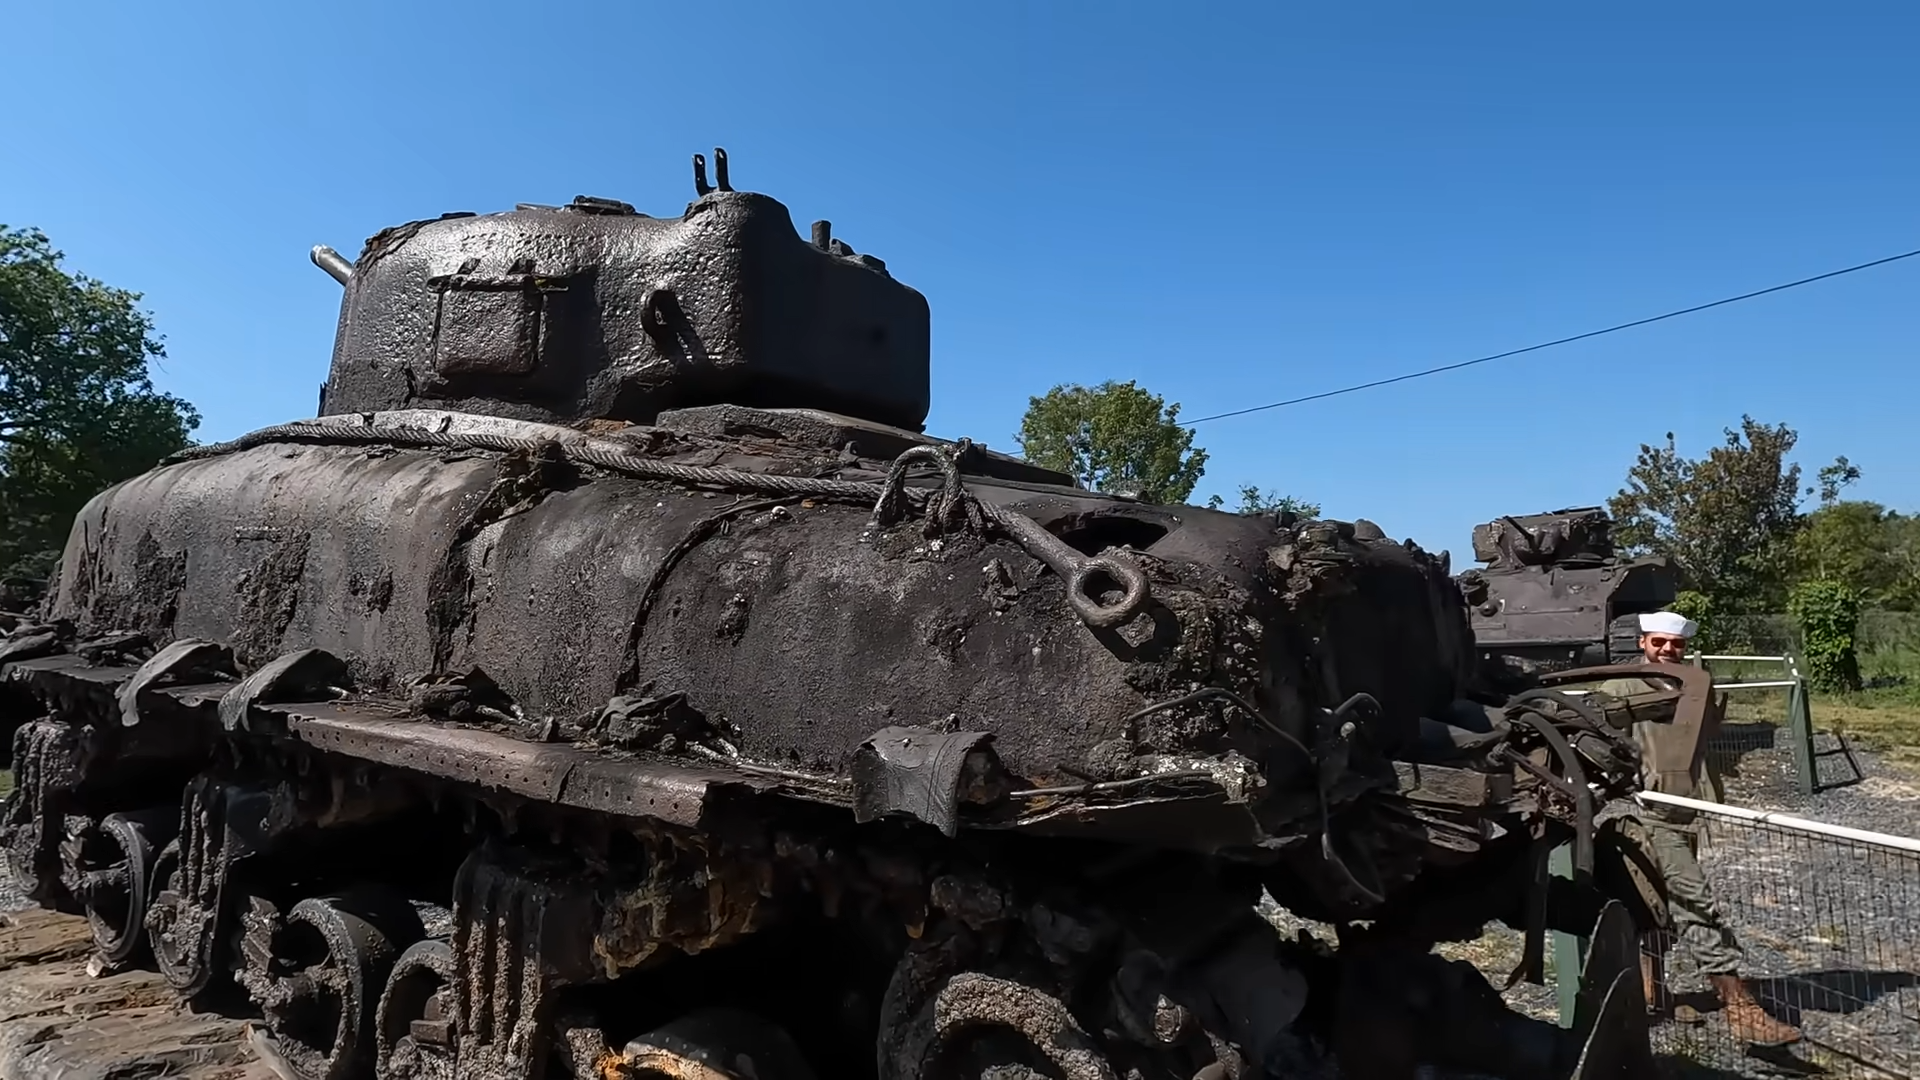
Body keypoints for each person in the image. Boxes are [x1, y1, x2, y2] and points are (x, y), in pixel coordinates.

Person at [1593, 611, 1802, 1047]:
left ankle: (1654, 994)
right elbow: (1603, 744)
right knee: (1696, 902)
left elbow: (1705, 741)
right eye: (1659, 643)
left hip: (1687, 810)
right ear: (1643, 644)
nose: (1668, 650)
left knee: (1657, 907)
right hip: (1649, 812)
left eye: (1675, 644)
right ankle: (1739, 1009)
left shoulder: (1694, 685)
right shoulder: (1621, 688)